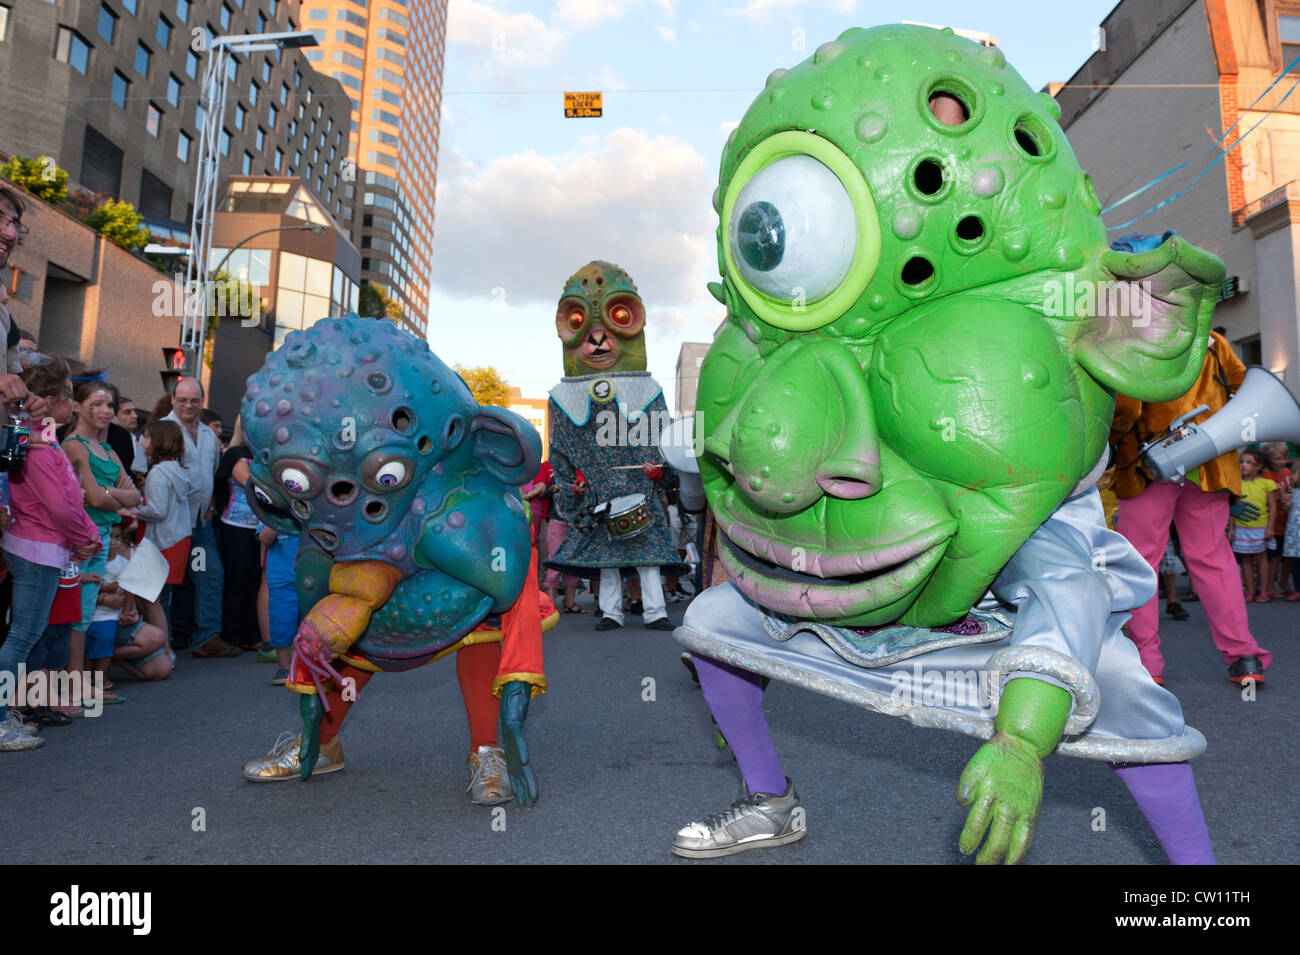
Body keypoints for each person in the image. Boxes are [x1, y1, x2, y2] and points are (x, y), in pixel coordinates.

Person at [1112, 325, 1272, 687]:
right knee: (1213, 558)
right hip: (1211, 460)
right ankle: (1243, 657)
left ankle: (1146, 662)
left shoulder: (1131, 336)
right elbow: (1244, 391)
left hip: (1147, 461)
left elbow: (1126, 408)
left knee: (1141, 562)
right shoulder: (1213, 340)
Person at [0, 359, 100, 750]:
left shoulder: (38, 439)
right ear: (44, 402)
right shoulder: (39, 445)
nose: (74, 406)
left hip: (39, 546)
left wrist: (83, 533)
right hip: (36, 548)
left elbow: (67, 500)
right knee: (22, 636)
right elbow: (59, 506)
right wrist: (82, 536)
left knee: (24, 636)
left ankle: (7, 716)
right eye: (70, 398)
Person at [61, 380, 141, 699]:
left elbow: (134, 495)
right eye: (96, 404)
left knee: (85, 612)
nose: (105, 411)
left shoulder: (107, 449)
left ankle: (79, 685)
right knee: (76, 613)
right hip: (79, 539)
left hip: (103, 534)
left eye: (109, 405)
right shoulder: (74, 445)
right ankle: (72, 687)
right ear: (77, 406)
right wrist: (111, 496)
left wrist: (103, 495)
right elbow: (94, 498)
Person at [163, 378, 234, 657]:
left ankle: (206, 638)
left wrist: (209, 503)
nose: (188, 405)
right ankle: (161, 641)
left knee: (209, 574)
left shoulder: (207, 435)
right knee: (166, 582)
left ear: (202, 402)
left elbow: (210, 473)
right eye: (182, 400)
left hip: (199, 525)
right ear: (172, 400)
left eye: (194, 400)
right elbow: (143, 473)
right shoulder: (162, 430)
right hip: (170, 524)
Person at [134, 418, 199, 659]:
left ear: (159, 441)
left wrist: (133, 510)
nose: (143, 443)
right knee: (156, 599)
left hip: (160, 542)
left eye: (147, 437)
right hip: (177, 540)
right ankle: (163, 649)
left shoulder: (157, 473)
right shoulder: (178, 471)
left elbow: (157, 511)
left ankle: (164, 650)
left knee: (150, 599)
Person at [214, 416, 260, 650]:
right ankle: (233, 634)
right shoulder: (235, 454)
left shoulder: (266, 454)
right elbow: (251, 482)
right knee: (236, 581)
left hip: (261, 528)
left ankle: (252, 635)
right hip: (236, 526)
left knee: (256, 582)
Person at [1231, 449, 1279, 602]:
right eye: (1242, 462)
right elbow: (1233, 507)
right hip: (1242, 528)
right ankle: (1250, 591)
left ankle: (1264, 591)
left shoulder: (1267, 483)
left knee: (1262, 559)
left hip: (1261, 528)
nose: (1243, 465)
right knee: (1245, 559)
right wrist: (1231, 529)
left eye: (1248, 462)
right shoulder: (1236, 483)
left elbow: (1273, 507)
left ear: (1258, 467)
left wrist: (1270, 528)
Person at [1260, 441, 1292, 597]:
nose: (1282, 462)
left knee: (1289, 554)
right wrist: (1282, 497)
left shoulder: (1287, 472)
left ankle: (1283, 581)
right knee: (1275, 555)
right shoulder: (1266, 474)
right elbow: (1270, 496)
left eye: (1284, 458)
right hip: (1273, 520)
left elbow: (1290, 490)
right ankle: (1270, 586)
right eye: (1277, 459)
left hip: (1287, 518)